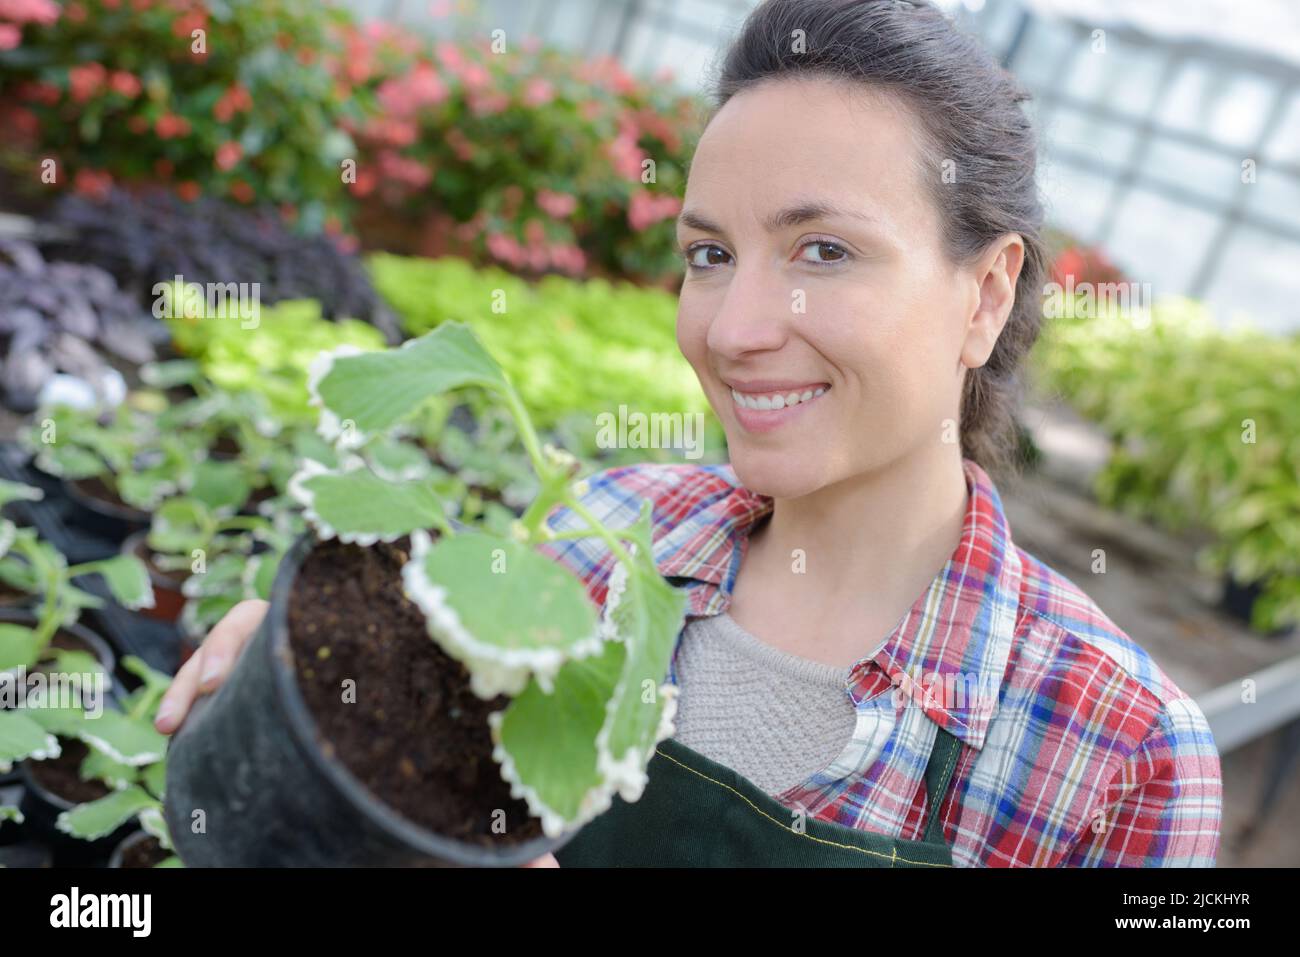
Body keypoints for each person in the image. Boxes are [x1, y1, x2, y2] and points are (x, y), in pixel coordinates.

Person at [157, 0, 1222, 866]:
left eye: (823, 252)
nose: (735, 329)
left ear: (985, 295)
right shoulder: (601, 534)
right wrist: (315, 707)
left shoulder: (1117, 751)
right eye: (709, 255)